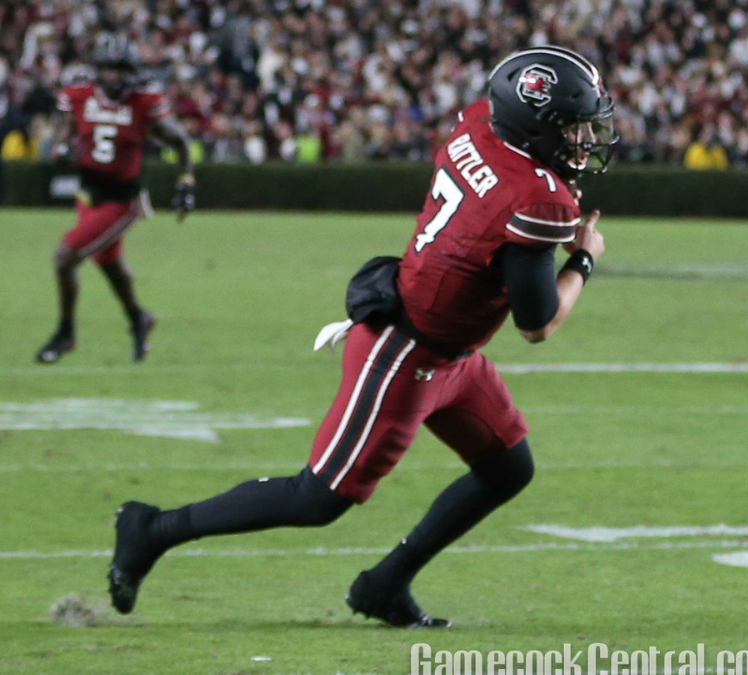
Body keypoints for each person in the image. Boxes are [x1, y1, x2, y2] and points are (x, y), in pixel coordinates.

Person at [106, 45, 617, 627]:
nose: (584, 140)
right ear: (534, 128)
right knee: (317, 498)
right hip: (406, 350)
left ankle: (385, 583)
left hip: (450, 350)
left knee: (508, 468)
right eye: (573, 127)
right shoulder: (536, 198)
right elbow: (537, 324)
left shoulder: (481, 122)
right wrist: (583, 259)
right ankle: (152, 528)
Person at [35, 34, 195, 364]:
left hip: (122, 202)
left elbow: (179, 139)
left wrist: (185, 181)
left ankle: (65, 334)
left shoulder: (143, 101)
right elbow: (63, 132)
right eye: (108, 70)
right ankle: (139, 318)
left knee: (65, 258)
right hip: (87, 194)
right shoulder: (79, 95)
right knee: (108, 264)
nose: (113, 78)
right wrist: (62, 149)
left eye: (120, 71)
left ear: (132, 72)